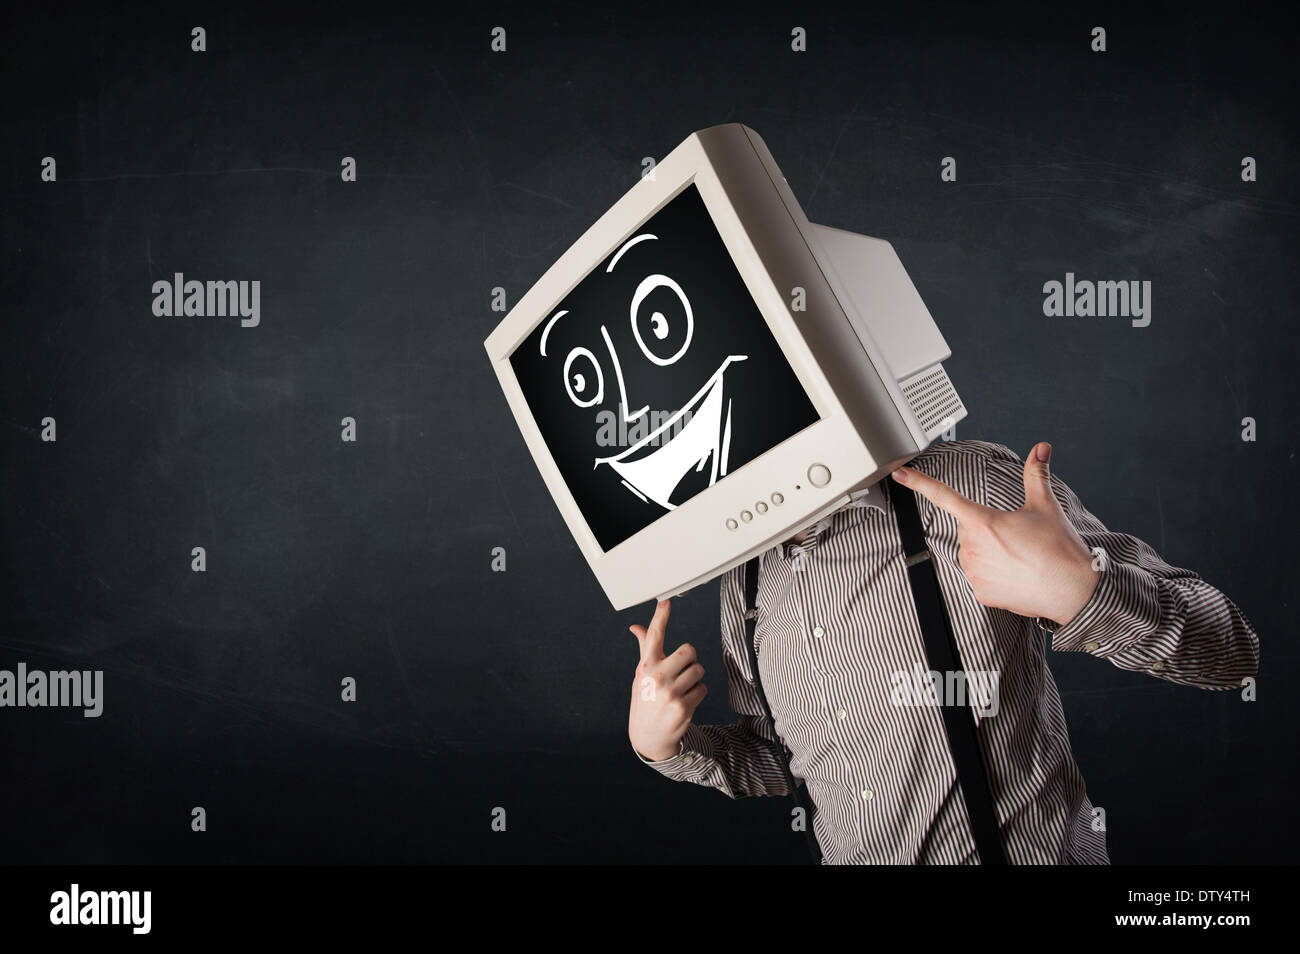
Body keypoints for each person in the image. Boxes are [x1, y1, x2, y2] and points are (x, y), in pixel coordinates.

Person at [626, 439, 1259, 863]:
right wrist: (667, 748)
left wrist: (1083, 596)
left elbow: (1232, 651)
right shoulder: (745, 577)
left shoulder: (970, 484)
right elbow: (784, 757)